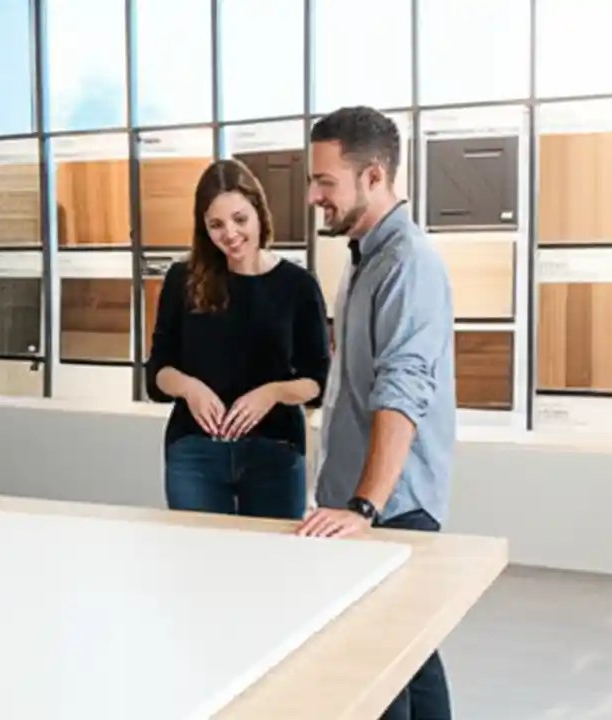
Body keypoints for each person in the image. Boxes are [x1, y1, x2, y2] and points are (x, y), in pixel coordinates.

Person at [296, 106, 457, 720]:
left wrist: (364, 506)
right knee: (414, 658)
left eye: (325, 182)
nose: (314, 196)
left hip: (392, 508)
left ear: (374, 177)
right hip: (363, 502)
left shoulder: (407, 263)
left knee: (378, 667)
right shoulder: (365, 256)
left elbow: (403, 390)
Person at [144, 158, 331, 520]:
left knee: (273, 568)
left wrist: (271, 393)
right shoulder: (183, 279)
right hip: (194, 453)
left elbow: (318, 382)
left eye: (240, 219)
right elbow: (157, 373)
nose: (229, 234)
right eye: (216, 225)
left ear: (260, 213)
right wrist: (189, 388)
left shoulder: (298, 286)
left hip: (275, 452)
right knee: (198, 563)